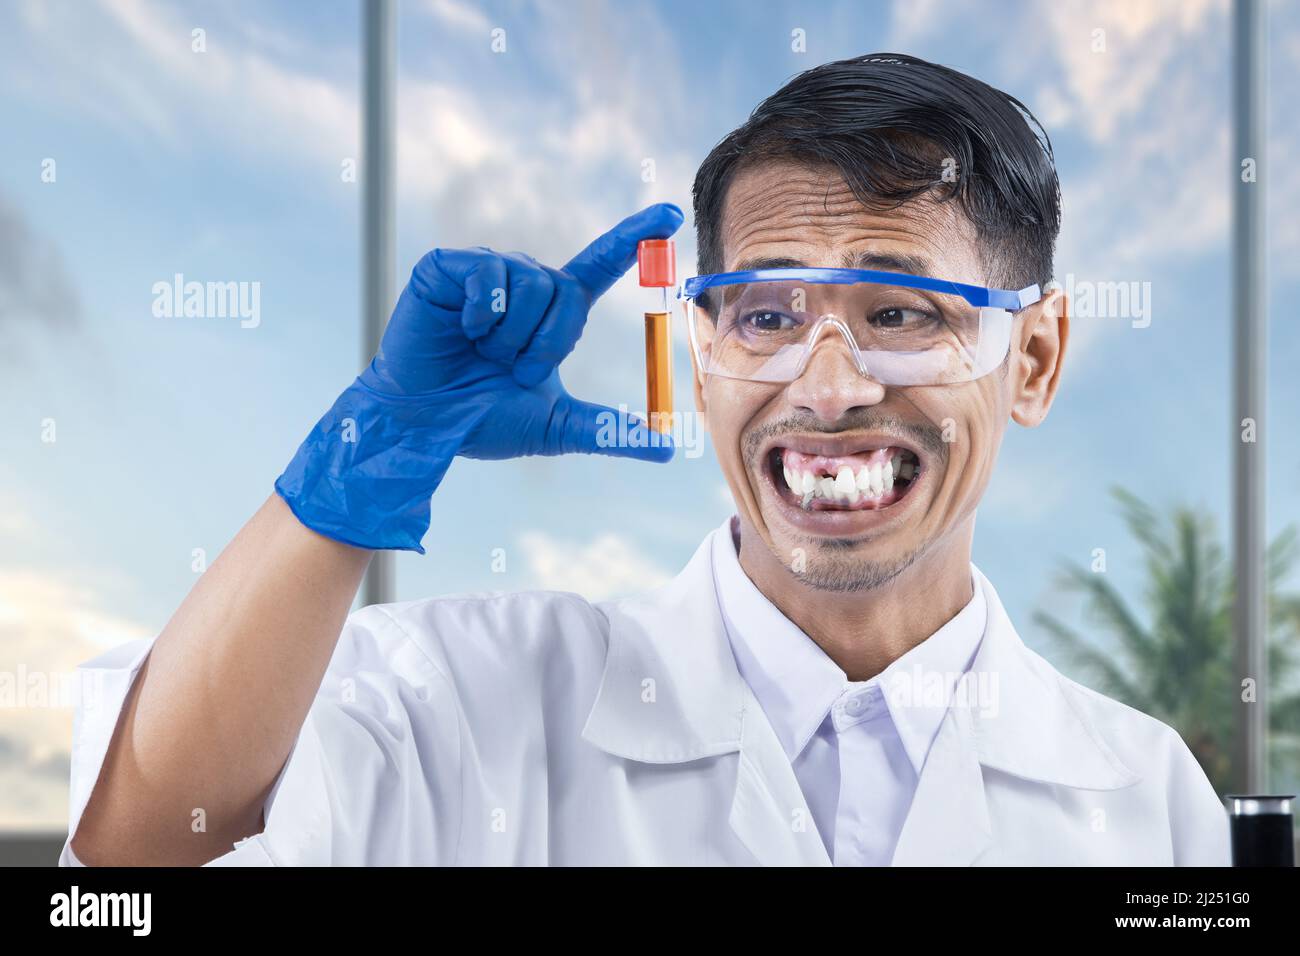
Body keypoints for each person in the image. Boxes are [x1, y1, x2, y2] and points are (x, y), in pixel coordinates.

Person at [62, 53, 1230, 866]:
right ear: (704, 349)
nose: (825, 391)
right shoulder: (474, 708)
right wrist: (358, 464)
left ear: (1030, 357)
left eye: (903, 312)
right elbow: (126, 880)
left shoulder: (1144, 798)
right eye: (765, 317)